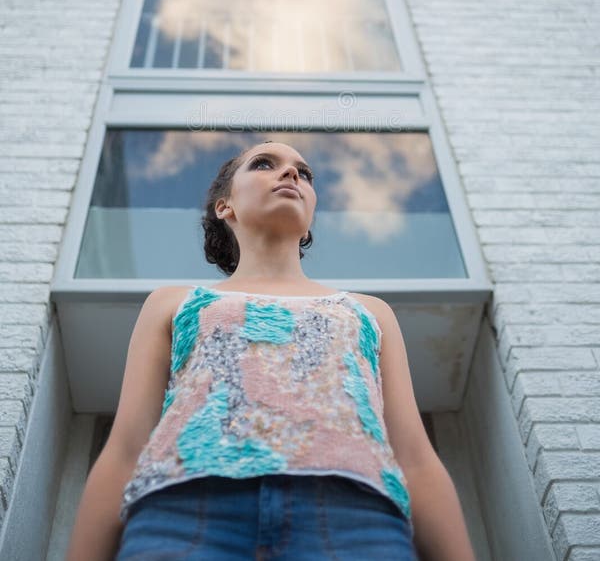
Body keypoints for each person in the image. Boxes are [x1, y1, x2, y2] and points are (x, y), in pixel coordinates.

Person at [66, 140, 476, 561]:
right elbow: (126, 449)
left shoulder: (369, 312)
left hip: (355, 520)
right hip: (182, 512)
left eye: (305, 172)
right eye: (265, 164)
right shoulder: (173, 303)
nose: (292, 174)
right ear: (225, 206)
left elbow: (415, 457)